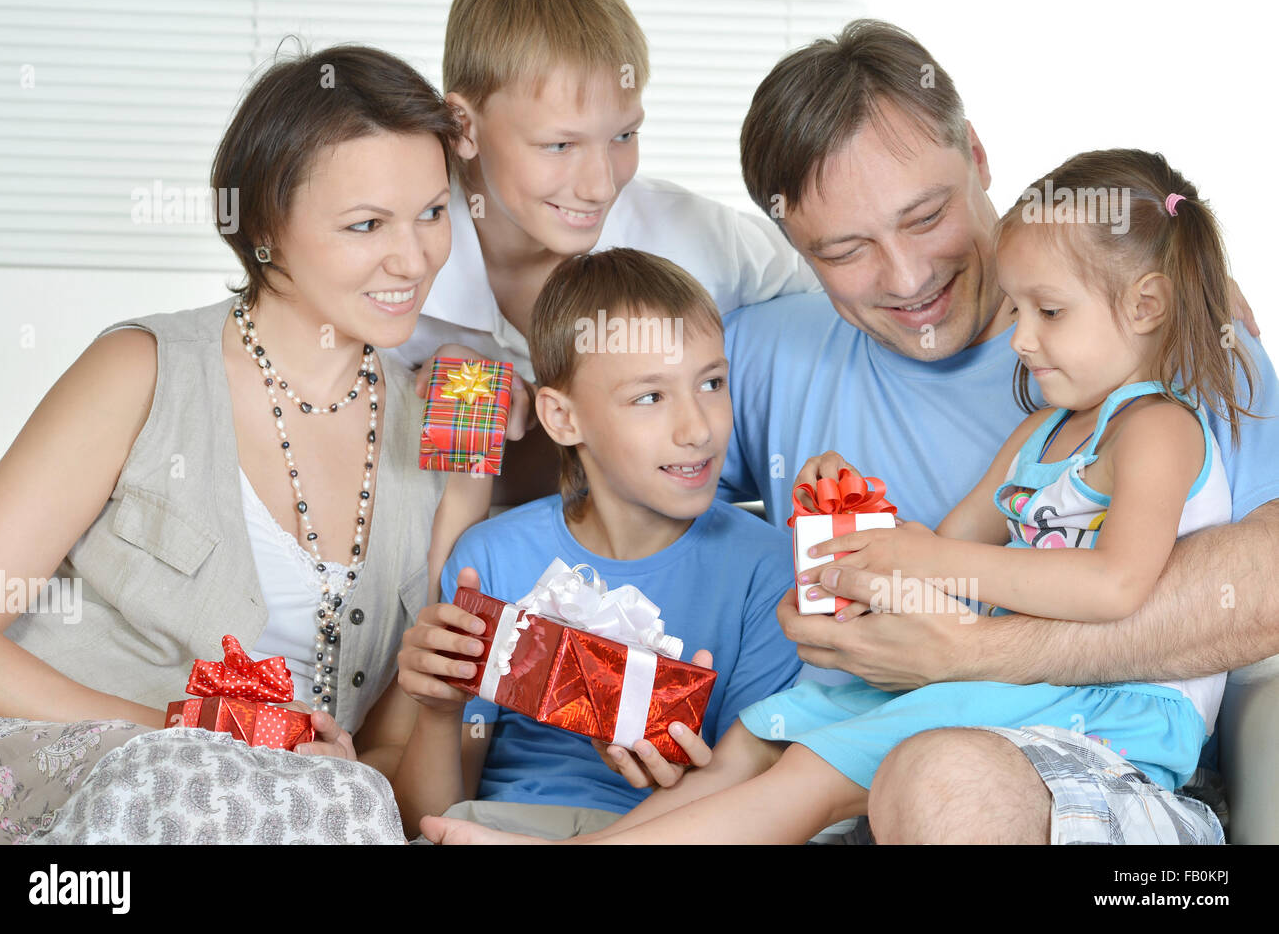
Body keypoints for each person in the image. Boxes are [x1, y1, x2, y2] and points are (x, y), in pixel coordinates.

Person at [416, 148, 1252, 845]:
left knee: (813, 771)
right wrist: (850, 512)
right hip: (1019, 685)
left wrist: (928, 559)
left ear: (1145, 307)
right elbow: (934, 551)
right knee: (766, 728)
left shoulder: (1156, 428)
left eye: (1048, 312)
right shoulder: (1040, 434)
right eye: (1019, 308)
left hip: (1109, 705)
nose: (1020, 337)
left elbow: (1117, 584)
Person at [717, 20, 1279, 844]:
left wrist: (976, 649)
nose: (908, 278)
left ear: (977, 156)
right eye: (844, 250)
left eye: (927, 215)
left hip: (1090, 781)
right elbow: (611, 504)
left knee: (941, 780)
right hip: (850, 765)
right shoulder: (758, 353)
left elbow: (1265, 584)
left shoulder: (1174, 349)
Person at [0, 45, 464, 844]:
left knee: (349, 803)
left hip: (286, 815)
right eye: (365, 224)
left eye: (433, 213)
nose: (413, 259)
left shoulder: (431, 432)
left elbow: (380, 756)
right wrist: (180, 731)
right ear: (264, 227)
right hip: (79, 782)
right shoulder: (143, 371)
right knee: (183, 781)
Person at [395, 249, 803, 839]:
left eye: (712, 383)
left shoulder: (769, 571)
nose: (699, 428)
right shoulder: (488, 560)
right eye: (649, 397)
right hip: (496, 825)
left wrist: (682, 773)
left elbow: (754, 791)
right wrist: (439, 711)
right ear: (562, 419)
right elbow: (426, 820)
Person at [383, 0, 819, 506]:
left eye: (623, 136)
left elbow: (842, 281)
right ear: (464, 127)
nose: (598, 186)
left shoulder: (689, 234)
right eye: (559, 145)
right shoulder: (391, 261)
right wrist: (432, 401)